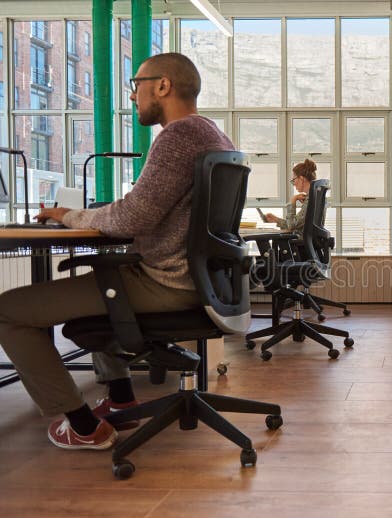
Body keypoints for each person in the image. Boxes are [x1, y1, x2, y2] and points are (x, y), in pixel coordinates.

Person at [0, 52, 235, 450]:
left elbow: (132, 217)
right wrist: (92, 214)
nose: (132, 96)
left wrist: (69, 215)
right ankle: (122, 397)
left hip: (165, 282)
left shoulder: (178, 136)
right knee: (100, 280)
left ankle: (82, 426)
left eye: (136, 85)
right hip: (199, 280)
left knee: (8, 310)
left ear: (163, 86)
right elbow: (142, 211)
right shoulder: (213, 134)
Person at [260, 159, 317, 235]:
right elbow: (294, 224)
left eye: (294, 180)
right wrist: (276, 220)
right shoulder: (315, 195)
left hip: (302, 239)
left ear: (301, 179)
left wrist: (293, 201)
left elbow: (291, 226)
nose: (293, 183)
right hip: (309, 239)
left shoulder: (310, 199)